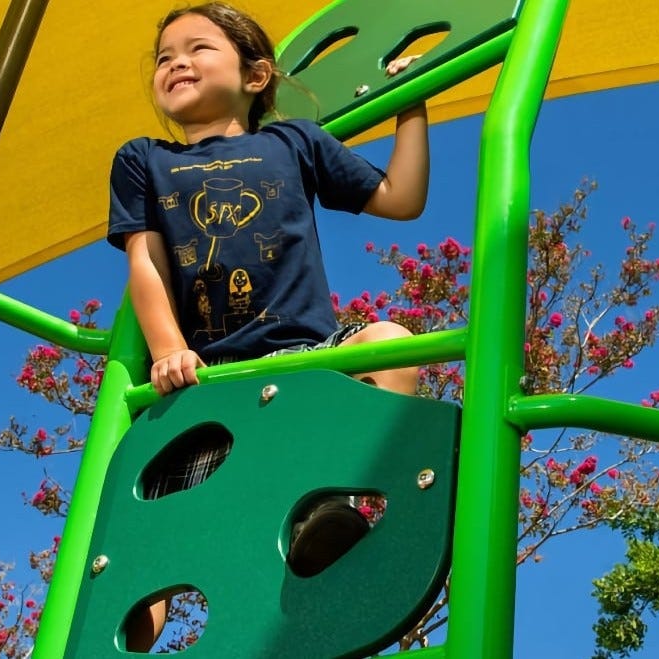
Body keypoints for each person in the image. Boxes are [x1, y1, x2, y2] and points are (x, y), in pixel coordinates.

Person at [103, 1, 430, 650]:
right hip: (209, 380)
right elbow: (146, 261)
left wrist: (410, 103)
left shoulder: (293, 143)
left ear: (256, 77)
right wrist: (168, 349)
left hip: (307, 360)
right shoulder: (144, 158)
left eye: (198, 49)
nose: (176, 63)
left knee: (390, 341)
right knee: (145, 570)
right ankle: (107, 635)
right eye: (165, 58)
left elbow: (402, 199)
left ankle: (355, 509)